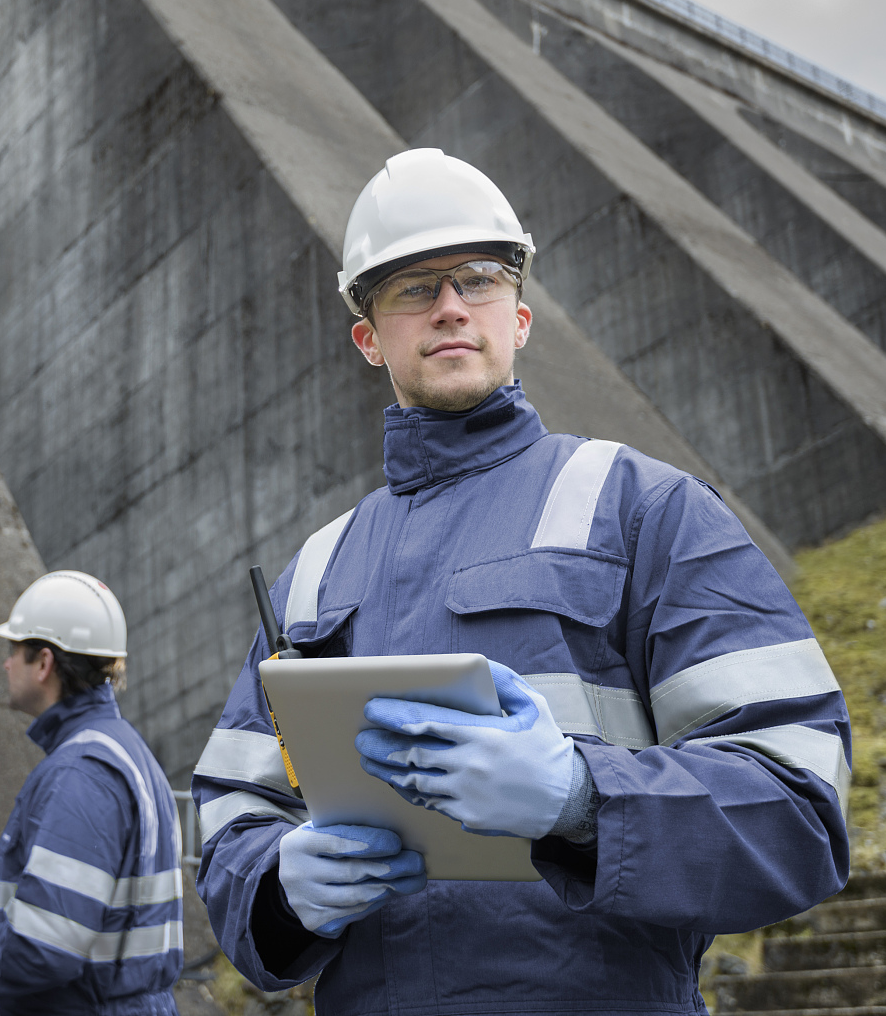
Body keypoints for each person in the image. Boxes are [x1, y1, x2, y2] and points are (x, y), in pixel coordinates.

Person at [192, 148, 852, 1014]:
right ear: (369, 338)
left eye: (478, 278)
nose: (450, 306)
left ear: (522, 317)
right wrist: (281, 889)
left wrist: (582, 800)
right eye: (411, 288)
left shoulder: (643, 510)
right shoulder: (314, 573)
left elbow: (798, 808)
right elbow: (233, 814)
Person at [0, 570, 183, 1014]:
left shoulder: (81, 773)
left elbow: (48, 948)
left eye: (14, 651)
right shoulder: (121, 751)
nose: (6, 665)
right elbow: (68, 918)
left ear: (44, 663)